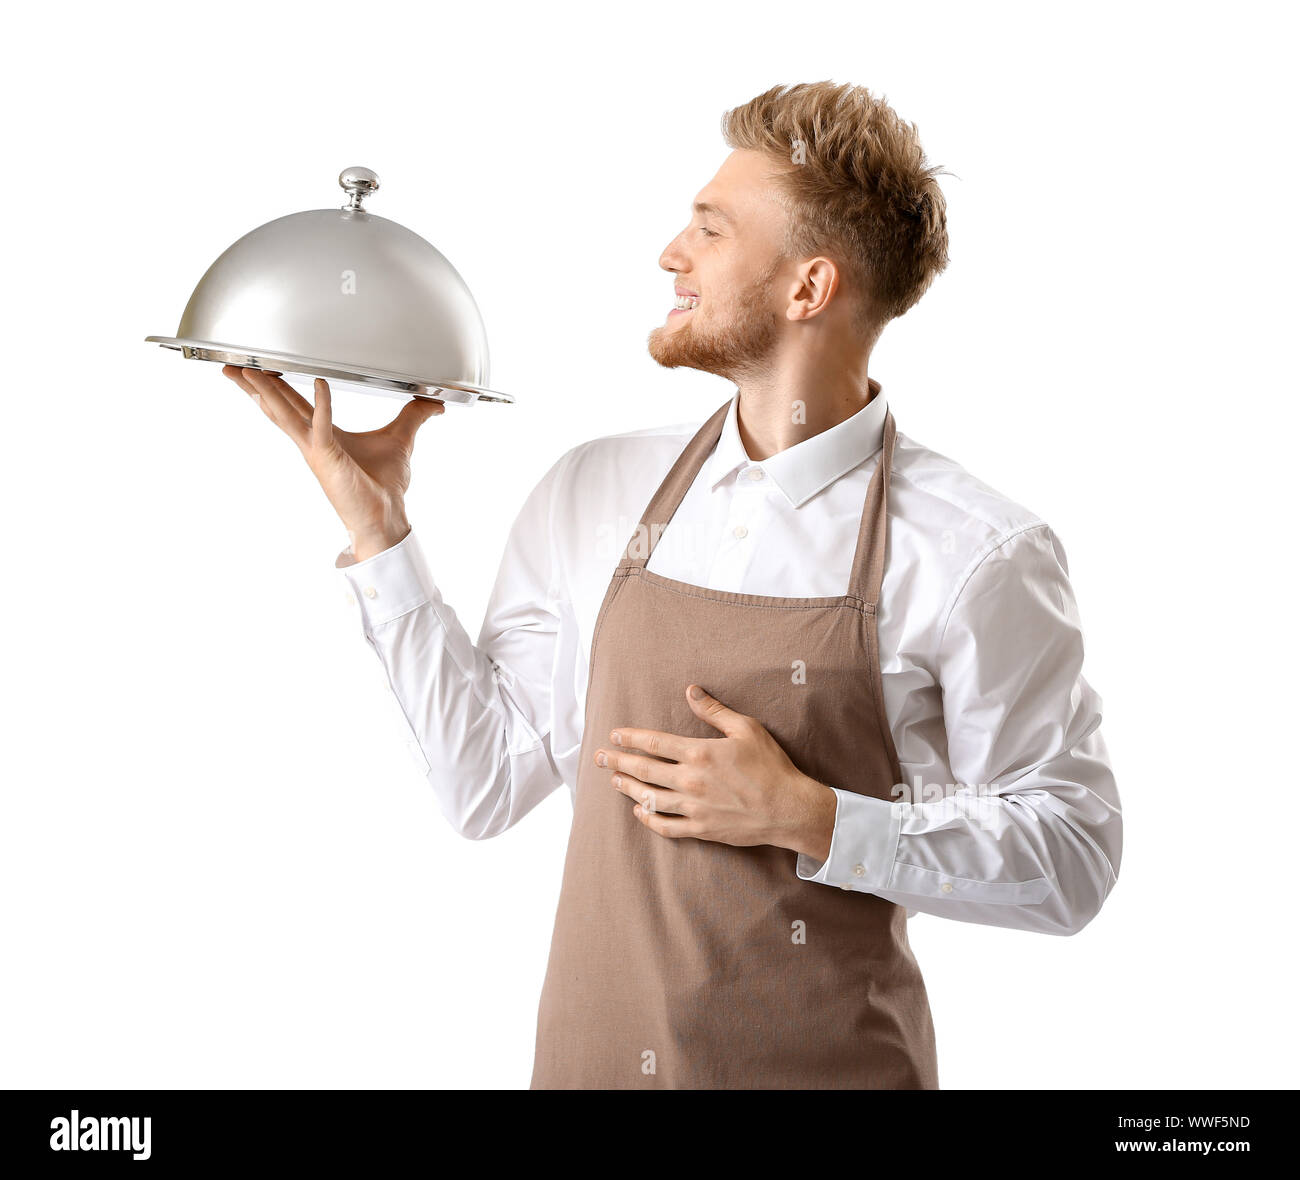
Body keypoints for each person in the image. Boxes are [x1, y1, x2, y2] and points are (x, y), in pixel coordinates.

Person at [223, 81, 1121, 1090]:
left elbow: (1073, 855)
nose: (669, 254)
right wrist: (377, 527)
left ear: (807, 289)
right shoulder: (593, 491)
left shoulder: (973, 550)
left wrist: (813, 816)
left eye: (710, 229)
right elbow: (482, 783)